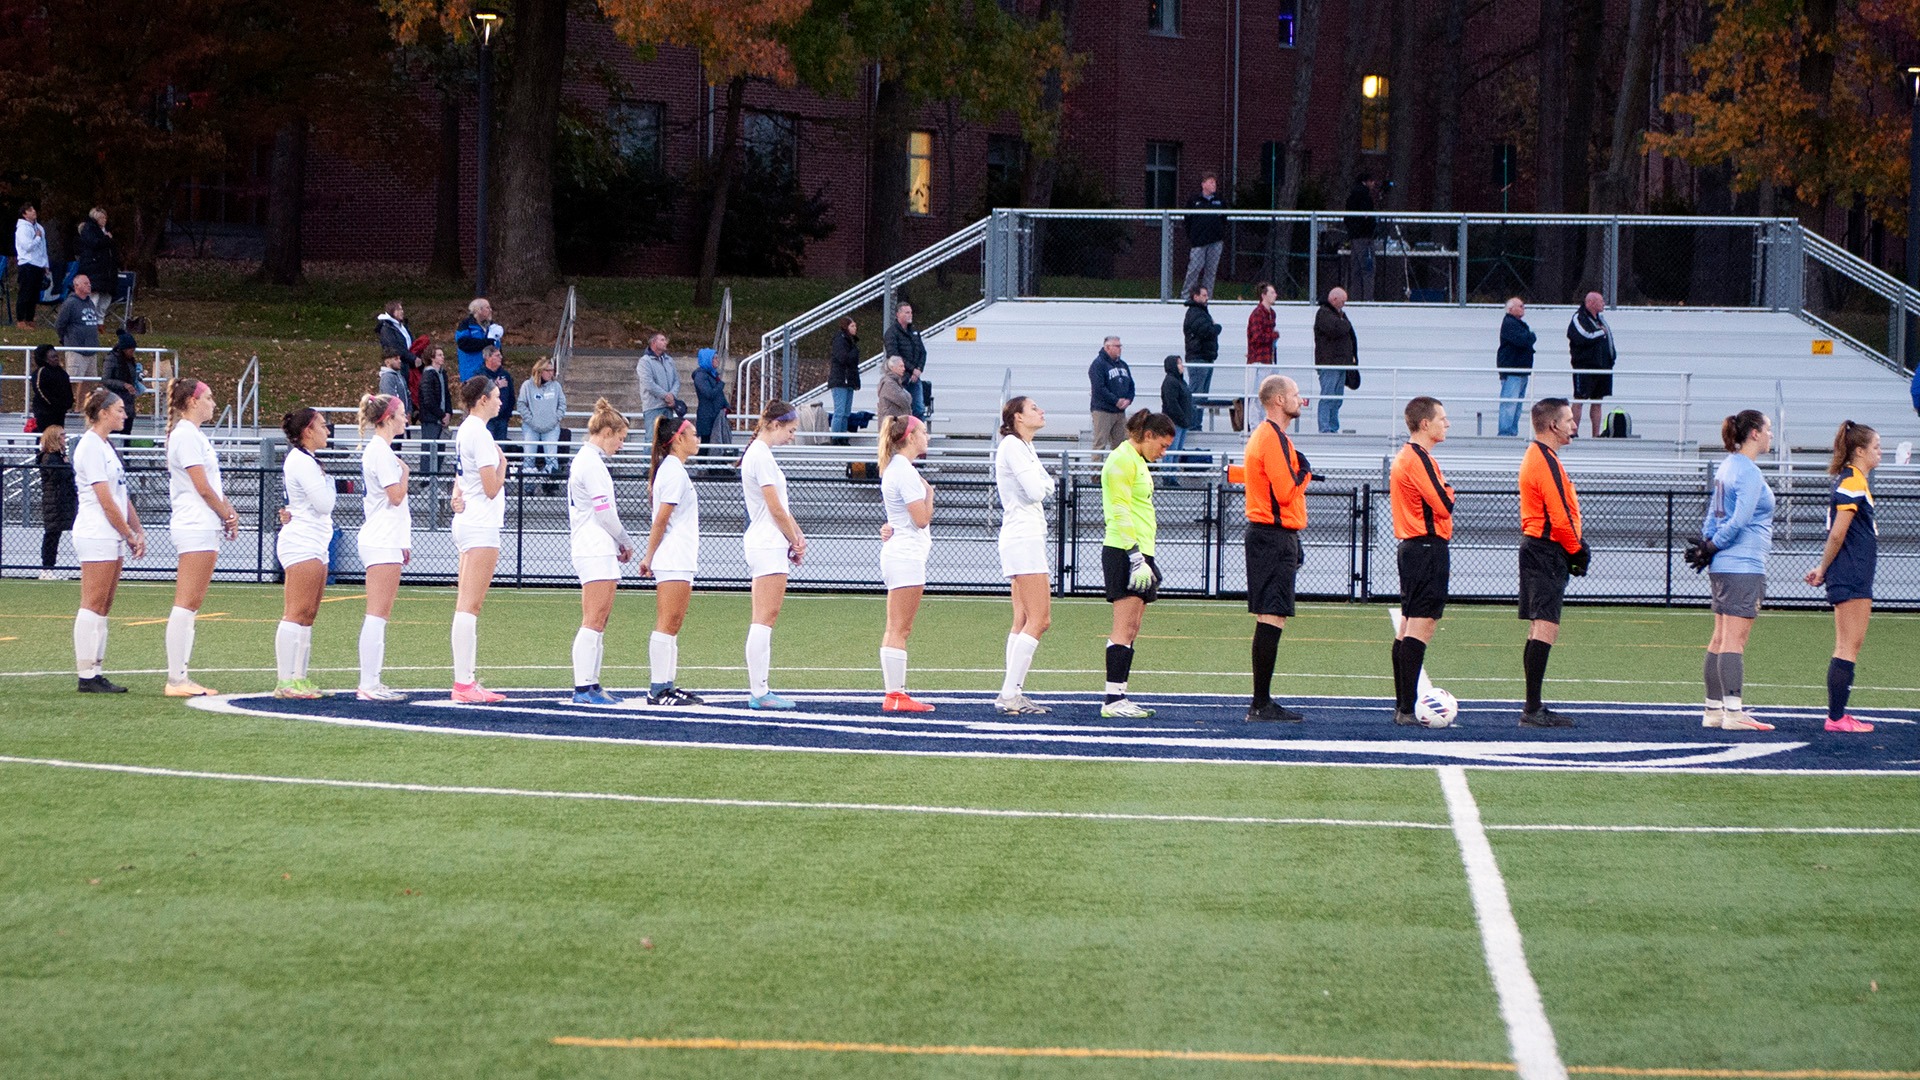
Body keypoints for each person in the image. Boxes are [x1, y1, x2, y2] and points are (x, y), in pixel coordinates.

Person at [1693, 410, 1775, 732]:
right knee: (1733, 643)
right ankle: (1734, 712)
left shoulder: (1727, 466)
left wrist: (1708, 546)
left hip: (1724, 566)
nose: (1771, 435)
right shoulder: (1749, 471)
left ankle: (1713, 710)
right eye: (1768, 429)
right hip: (1743, 565)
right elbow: (1738, 521)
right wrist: (1711, 546)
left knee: (1719, 639)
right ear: (1754, 433)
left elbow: (1713, 517)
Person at [1241, 375, 1311, 722]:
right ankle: (1261, 703)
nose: (1301, 400)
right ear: (1279, 400)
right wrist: (1306, 472)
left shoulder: (1270, 436)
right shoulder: (1272, 437)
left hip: (1273, 534)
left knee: (1272, 614)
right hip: (1271, 535)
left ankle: (1261, 700)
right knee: (1272, 614)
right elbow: (1286, 490)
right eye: (1295, 395)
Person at [1805, 421, 1882, 734]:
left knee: (1851, 644)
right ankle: (1836, 718)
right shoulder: (1852, 480)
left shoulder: (1855, 480)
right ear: (1860, 450)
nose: (1880, 452)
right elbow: (1838, 533)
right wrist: (1823, 568)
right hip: (1850, 573)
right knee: (1847, 646)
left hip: (1853, 572)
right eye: (1876, 447)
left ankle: (1837, 716)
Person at [1099, 409, 1177, 718]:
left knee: (1132, 627)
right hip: (1125, 551)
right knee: (1124, 626)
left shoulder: (1137, 461)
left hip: (1139, 551)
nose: (1164, 452)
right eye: (1163, 445)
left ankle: (1119, 696)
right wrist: (1134, 556)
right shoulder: (1122, 460)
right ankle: (1113, 701)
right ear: (1148, 436)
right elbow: (1119, 509)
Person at [1516, 397, 1587, 728]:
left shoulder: (1544, 458)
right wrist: (1576, 550)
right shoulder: (1543, 460)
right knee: (1545, 625)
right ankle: (1532, 709)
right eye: (1569, 420)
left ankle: (1533, 706)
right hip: (1546, 550)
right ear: (1552, 425)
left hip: (1544, 549)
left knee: (1541, 626)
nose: (1574, 425)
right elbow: (1559, 515)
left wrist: (1573, 547)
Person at [164, 379, 237, 698]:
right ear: (192, 402)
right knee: (187, 602)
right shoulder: (185, 435)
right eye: (208, 397)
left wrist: (226, 510)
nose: (213, 402)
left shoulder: (192, 435)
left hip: (201, 522)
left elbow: (211, 485)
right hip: (195, 523)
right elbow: (202, 486)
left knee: (190, 604)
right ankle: (177, 678)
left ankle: (180, 675)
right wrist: (225, 514)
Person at [566, 400, 639, 706]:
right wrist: (624, 540)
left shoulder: (589, 460)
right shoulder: (591, 463)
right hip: (593, 545)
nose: (621, 445)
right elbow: (605, 512)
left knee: (600, 619)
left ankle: (592, 683)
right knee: (593, 618)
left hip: (597, 545)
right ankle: (583, 687)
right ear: (607, 432)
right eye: (620, 438)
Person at [71, 388, 143, 693]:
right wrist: (127, 533)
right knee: (93, 602)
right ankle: (86, 674)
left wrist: (136, 529)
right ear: (103, 413)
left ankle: (95, 670)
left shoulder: (105, 446)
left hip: (110, 533)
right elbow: (104, 499)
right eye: (119, 410)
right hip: (96, 531)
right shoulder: (89, 446)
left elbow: (120, 495)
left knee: (104, 604)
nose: (124, 415)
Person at [737, 401, 807, 709]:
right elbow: (775, 508)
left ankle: (760, 689)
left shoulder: (760, 454)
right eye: (790, 430)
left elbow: (780, 507)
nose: (792, 436)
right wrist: (793, 539)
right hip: (767, 542)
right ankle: (759, 691)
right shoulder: (761, 456)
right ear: (775, 425)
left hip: (767, 540)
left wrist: (797, 535)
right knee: (764, 618)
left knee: (765, 618)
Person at [1389, 396, 1454, 726]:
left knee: (1407, 626)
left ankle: (1403, 705)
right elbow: (1444, 503)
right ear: (1425, 424)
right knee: (1420, 625)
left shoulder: (1409, 456)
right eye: (1442, 418)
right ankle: (1405, 706)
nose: (1447, 424)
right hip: (1426, 548)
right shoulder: (1418, 458)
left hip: (1414, 547)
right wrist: (1450, 490)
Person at [639, 411, 706, 706]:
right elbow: (661, 520)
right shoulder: (673, 471)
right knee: (668, 621)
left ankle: (667, 684)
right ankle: (658, 689)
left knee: (674, 623)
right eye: (693, 434)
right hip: (673, 557)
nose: (697, 439)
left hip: (680, 556)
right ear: (678, 439)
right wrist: (649, 557)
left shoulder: (672, 469)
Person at [451, 375, 508, 703]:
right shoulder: (480, 434)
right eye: (496, 396)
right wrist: (503, 466)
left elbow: (462, 478)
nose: (500, 401)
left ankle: (465, 680)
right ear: (483, 399)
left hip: (468, 520)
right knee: (469, 606)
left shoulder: (466, 431)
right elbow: (490, 487)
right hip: (480, 524)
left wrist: (456, 496)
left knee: (466, 605)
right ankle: (464, 683)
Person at [994, 396, 1053, 715]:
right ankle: (1009, 693)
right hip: (1023, 537)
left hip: (1025, 535)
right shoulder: (1013, 447)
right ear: (1017, 417)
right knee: (1040, 619)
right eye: (1033, 408)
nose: (1041, 411)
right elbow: (1037, 489)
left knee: (1022, 618)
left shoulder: (1025, 447)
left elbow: (1046, 484)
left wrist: (1044, 485)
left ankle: (1011, 692)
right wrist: (1044, 486)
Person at [876, 415, 937, 712]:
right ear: (910, 437)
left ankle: (894, 694)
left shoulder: (895, 469)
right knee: (900, 628)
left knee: (895, 627)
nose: (927, 437)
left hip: (899, 554)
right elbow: (921, 519)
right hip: (906, 556)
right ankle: (896, 695)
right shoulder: (905, 472)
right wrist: (929, 495)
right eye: (923, 432)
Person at [355, 392, 412, 702]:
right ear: (388, 418)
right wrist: (405, 474)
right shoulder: (381, 452)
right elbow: (395, 496)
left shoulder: (381, 451)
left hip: (386, 537)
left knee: (380, 614)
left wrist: (403, 541)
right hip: (381, 538)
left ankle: (372, 680)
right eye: (401, 413)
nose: (406, 418)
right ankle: (369, 682)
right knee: (377, 614)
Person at [274, 408, 334, 700]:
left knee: (308, 614)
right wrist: (331, 486)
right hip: (302, 541)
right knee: (295, 612)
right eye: (322, 425)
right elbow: (323, 504)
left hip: (316, 540)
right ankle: (286, 680)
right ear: (308, 430)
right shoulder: (301, 461)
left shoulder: (308, 460)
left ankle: (299, 678)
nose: (328, 430)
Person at [1567, 291, 1616, 438]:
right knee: (1579, 399)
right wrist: (1600, 333)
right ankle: (1573, 432)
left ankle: (1596, 434)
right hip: (1585, 367)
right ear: (1591, 303)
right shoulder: (1578, 318)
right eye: (1601, 301)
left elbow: (1609, 339)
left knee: (1597, 400)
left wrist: (1612, 357)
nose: (1603, 304)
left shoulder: (1601, 320)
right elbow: (1584, 336)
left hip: (1603, 367)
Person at [1313, 286, 1357, 433]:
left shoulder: (1339, 315)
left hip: (1341, 364)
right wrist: (1345, 323)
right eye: (1343, 301)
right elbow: (1336, 329)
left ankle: (1333, 427)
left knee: (1337, 399)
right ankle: (1325, 428)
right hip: (1329, 363)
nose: (1344, 304)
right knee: (1328, 396)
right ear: (1334, 299)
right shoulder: (1324, 314)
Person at [35, 426, 76, 581]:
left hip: (62, 499)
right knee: (52, 533)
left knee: (55, 534)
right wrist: (66, 465)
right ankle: (47, 568)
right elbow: (59, 475)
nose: (64, 438)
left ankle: (49, 567)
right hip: (55, 500)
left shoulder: (58, 456)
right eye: (62, 436)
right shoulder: (50, 457)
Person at [519, 357, 567, 479]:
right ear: (540, 371)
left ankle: (551, 487)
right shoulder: (527, 385)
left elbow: (562, 404)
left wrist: (556, 418)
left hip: (551, 427)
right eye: (548, 370)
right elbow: (521, 404)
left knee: (551, 458)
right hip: (531, 427)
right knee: (529, 457)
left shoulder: (556, 386)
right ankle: (528, 489)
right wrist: (531, 420)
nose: (551, 373)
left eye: (552, 370)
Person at [1182, 173, 1226, 298]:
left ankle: (1207, 297)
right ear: (1203, 184)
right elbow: (1187, 219)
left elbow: (1224, 219)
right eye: (1211, 182)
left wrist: (1220, 232)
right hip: (1199, 242)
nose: (1214, 185)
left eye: (1215, 183)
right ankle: (1187, 296)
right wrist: (1193, 236)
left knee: (1211, 271)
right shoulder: (1194, 200)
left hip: (1215, 241)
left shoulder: (1219, 200)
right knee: (1194, 269)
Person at [1496, 297, 1536, 437]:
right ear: (1510, 309)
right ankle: (1505, 433)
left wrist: (1530, 337)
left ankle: (1512, 431)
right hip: (1512, 371)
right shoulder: (1509, 323)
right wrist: (1530, 337)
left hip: (1522, 371)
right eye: (1520, 306)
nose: (1523, 308)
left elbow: (1528, 338)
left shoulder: (1519, 324)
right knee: (1510, 404)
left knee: (1517, 405)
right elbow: (1523, 340)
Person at [1088, 336, 1135, 451]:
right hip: (1103, 410)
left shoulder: (1123, 365)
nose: (1120, 349)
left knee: (1120, 445)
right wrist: (1116, 401)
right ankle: (1095, 468)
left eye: (1120, 346)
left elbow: (1131, 385)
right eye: (1117, 346)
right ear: (1107, 347)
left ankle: (1117, 468)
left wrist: (1128, 399)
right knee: (1100, 442)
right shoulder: (1098, 365)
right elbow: (1099, 388)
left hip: (1120, 412)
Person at [884, 302, 927, 420]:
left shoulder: (914, 333)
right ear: (898, 314)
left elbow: (923, 352)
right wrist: (912, 369)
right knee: (901, 409)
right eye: (907, 312)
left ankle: (919, 435)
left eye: (911, 312)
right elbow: (894, 355)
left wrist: (918, 369)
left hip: (915, 378)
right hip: (900, 379)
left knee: (919, 408)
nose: (910, 315)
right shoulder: (891, 333)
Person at [55, 274, 103, 378]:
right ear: (76, 285)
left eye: (89, 283)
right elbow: (60, 324)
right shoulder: (70, 303)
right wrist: (67, 340)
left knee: (90, 387)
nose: (89, 285)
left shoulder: (90, 302)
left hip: (91, 351)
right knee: (75, 384)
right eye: (86, 283)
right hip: (76, 352)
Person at [1182, 285, 1222, 400]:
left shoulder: (1200, 313)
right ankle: (1193, 418)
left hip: (1204, 357)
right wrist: (1217, 327)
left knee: (1202, 397)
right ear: (1196, 297)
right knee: (1197, 395)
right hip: (1198, 358)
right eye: (1204, 295)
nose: (1207, 298)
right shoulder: (1195, 313)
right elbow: (1206, 331)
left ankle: (1196, 418)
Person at [418, 345, 453, 475]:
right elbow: (428, 399)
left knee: (440, 451)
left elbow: (447, 395)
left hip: (441, 417)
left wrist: (448, 413)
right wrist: (441, 414)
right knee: (429, 451)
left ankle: (434, 477)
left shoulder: (442, 374)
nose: (442, 357)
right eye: (439, 355)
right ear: (432, 358)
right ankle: (426, 481)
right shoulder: (428, 375)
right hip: (431, 419)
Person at [1343, 173, 1378, 301]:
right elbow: (1366, 217)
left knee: (1356, 269)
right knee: (1368, 269)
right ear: (1367, 181)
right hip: (1364, 237)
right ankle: (1368, 299)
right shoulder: (1364, 196)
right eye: (1372, 180)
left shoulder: (1351, 195)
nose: (1374, 184)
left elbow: (1347, 218)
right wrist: (1370, 227)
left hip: (1354, 237)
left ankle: (1355, 298)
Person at [637, 332, 680, 437]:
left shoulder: (669, 360)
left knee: (667, 439)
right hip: (653, 407)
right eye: (662, 340)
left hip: (668, 406)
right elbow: (648, 383)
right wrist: (665, 395)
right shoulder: (644, 362)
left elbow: (676, 380)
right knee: (652, 439)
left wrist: (672, 395)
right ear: (653, 342)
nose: (665, 342)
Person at [98, 330, 140, 436]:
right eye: (131, 350)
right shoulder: (111, 359)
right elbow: (106, 379)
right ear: (124, 349)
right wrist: (123, 385)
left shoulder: (130, 361)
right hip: (116, 398)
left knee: (127, 432)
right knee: (116, 433)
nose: (132, 353)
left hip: (128, 401)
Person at [75, 208, 118, 305]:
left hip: (107, 272)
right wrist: (107, 238)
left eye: (105, 218)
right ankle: (89, 320)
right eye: (101, 218)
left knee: (104, 303)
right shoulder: (89, 230)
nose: (104, 220)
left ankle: (99, 321)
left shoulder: (106, 230)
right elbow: (95, 243)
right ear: (95, 219)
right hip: (94, 270)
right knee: (94, 300)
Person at [1160, 354, 1195, 471]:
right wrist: (1182, 419)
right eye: (1179, 363)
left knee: (1177, 452)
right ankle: (1167, 476)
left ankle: (1173, 475)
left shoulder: (1181, 382)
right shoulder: (1170, 382)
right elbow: (1172, 404)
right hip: (1174, 423)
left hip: (1182, 422)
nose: (1182, 366)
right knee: (1171, 451)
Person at [16, 202, 48, 327]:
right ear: (24, 214)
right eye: (30, 210)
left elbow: (43, 248)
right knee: (25, 292)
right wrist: (37, 238)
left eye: (33, 209)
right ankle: (21, 319)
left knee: (34, 294)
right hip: (27, 263)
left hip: (38, 264)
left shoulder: (39, 227)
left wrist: (45, 264)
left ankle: (30, 319)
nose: (33, 211)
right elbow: (27, 246)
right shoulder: (22, 229)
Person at [828, 316, 861, 439]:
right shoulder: (840, 340)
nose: (855, 328)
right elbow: (843, 358)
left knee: (846, 413)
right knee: (840, 412)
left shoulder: (850, 341)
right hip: (840, 380)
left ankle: (842, 436)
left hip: (848, 380)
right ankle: (836, 438)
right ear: (846, 327)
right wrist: (854, 352)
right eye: (852, 326)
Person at [29, 345, 73, 434]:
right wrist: (53, 403)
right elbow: (39, 389)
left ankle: (57, 448)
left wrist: (68, 402)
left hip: (60, 411)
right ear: (45, 359)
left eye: (56, 356)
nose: (56, 359)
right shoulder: (41, 372)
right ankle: (40, 448)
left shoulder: (60, 372)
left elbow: (67, 387)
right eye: (53, 357)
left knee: (58, 434)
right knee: (45, 435)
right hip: (45, 411)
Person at [455, 298, 502, 380]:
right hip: (472, 374)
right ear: (479, 310)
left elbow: (498, 348)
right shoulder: (466, 325)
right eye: (487, 307)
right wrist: (486, 342)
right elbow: (464, 344)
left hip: (492, 374)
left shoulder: (492, 326)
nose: (490, 310)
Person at [480, 346, 515, 446]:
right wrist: (495, 385)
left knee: (500, 450)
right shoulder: (480, 375)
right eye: (497, 355)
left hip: (502, 420)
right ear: (488, 357)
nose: (501, 357)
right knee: (486, 448)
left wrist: (507, 414)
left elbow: (511, 396)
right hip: (487, 420)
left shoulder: (505, 375)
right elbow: (478, 394)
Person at [693, 347, 728, 444]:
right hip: (707, 415)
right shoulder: (700, 376)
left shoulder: (712, 375)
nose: (717, 360)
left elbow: (719, 395)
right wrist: (720, 385)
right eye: (715, 358)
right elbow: (709, 394)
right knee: (706, 442)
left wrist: (725, 406)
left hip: (715, 413)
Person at [1246, 281, 1278, 367]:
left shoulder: (1272, 313)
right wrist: (1273, 336)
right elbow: (1257, 337)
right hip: (1258, 360)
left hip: (1269, 359)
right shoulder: (1258, 314)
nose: (1275, 295)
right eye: (1272, 293)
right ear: (1263, 296)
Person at [376, 300, 416, 366]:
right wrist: (412, 358)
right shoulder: (387, 328)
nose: (402, 311)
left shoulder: (403, 326)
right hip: (397, 364)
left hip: (408, 363)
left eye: (402, 309)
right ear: (392, 312)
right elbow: (395, 347)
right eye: (399, 309)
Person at [876, 354, 912, 426]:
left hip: (895, 425)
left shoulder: (895, 382)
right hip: (891, 427)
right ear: (892, 367)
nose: (904, 369)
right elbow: (904, 401)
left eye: (903, 366)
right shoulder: (889, 384)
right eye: (901, 366)